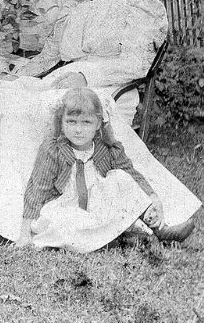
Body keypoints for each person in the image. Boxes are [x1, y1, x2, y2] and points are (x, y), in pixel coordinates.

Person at [0, 0, 201, 242]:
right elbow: (51, 56)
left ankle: (157, 213)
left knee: (29, 112)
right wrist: (15, 74)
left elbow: (137, 64)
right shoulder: (75, 8)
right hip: (64, 82)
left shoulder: (133, 5)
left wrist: (86, 77)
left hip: (110, 86)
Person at [16, 88, 164, 253]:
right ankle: (114, 236)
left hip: (97, 209)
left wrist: (153, 198)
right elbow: (37, 190)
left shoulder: (106, 148)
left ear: (98, 123)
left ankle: (142, 227)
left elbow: (131, 174)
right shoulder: (53, 150)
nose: (78, 130)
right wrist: (24, 233)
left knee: (120, 177)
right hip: (67, 210)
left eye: (86, 122)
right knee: (62, 224)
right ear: (62, 122)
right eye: (71, 122)